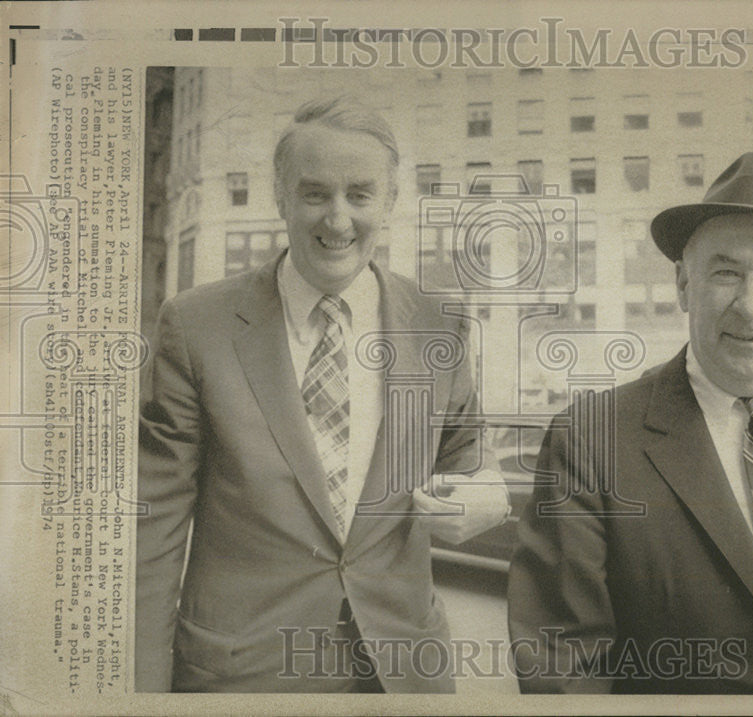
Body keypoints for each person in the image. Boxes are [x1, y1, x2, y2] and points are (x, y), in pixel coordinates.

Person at [135, 96, 508, 693]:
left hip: (403, 676)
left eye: (359, 195)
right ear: (280, 197)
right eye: (315, 194)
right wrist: (140, 700)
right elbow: (150, 534)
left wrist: (486, 495)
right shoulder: (195, 325)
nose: (337, 221)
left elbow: (469, 461)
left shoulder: (441, 325)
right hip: (244, 679)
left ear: (389, 200)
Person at [508, 152, 753, 695]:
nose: (750, 305)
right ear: (683, 285)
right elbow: (563, 667)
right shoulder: (591, 439)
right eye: (726, 274)